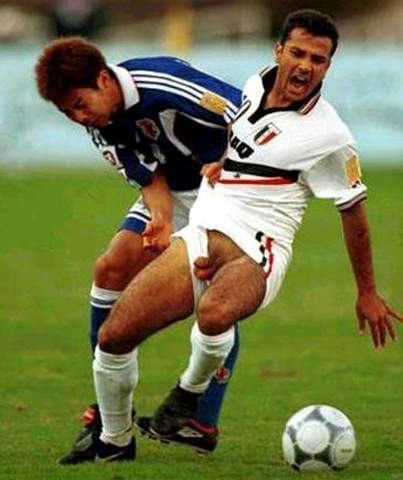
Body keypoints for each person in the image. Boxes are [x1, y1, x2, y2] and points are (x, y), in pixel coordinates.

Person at [49, 10, 403, 464]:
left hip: (258, 247)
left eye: (318, 59)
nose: (305, 66)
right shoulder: (255, 86)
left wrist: (367, 291)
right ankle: (114, 441)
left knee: (215, 312)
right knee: (114, 336)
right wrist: (224, 164)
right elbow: (243, 133)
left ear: (328, 67)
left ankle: (189, 397)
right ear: (279, 51)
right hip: (202, 228)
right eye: (298, 53)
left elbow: (353, 212)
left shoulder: (331, 136)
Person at [35, 37, 242, 463]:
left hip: (227, 189)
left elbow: (247, 115)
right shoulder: (98, 121)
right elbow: (150, 179)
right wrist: (161, 220)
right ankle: (112, 411)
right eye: (67, 112)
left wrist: (230, 163)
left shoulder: (164, 82)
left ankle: (199, 417)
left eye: (80, 104)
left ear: (103, 79)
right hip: (177, 191)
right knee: (110, 268)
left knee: (213, 293)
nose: (79, 117)